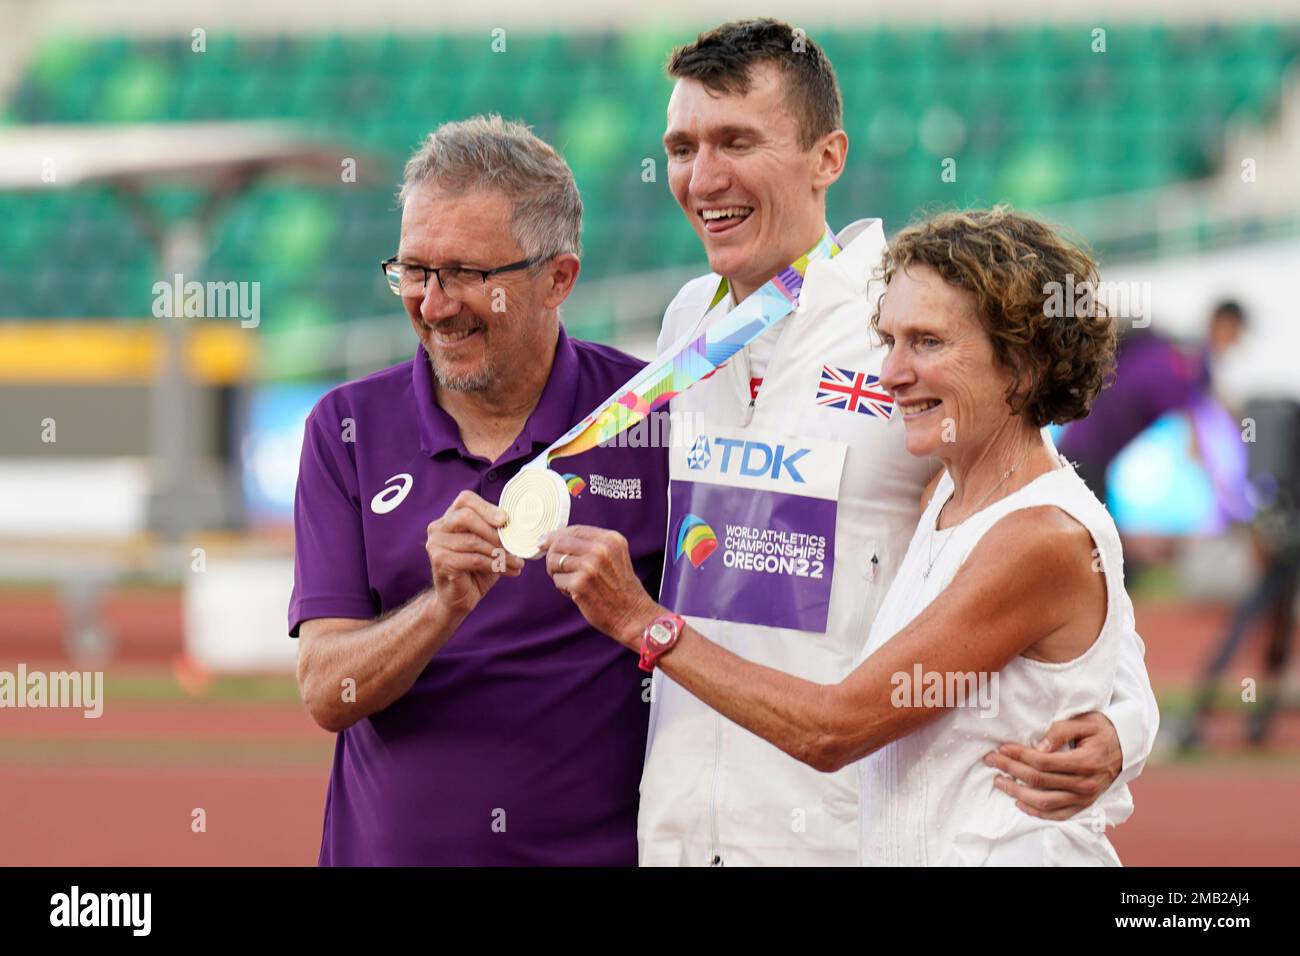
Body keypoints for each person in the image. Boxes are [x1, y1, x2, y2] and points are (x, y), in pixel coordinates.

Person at [546, 18, 1159, 866]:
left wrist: (1128, 722)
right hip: (686, 827)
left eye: (736, 141)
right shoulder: (688, 321)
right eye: (681, 146)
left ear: (828, 158)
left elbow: (1047, 535)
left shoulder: (913, 318)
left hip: (839, 828)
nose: (702, 176)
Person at [288, 115, 669, 865]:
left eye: (466, 274)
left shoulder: (652, 416)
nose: (433, 304)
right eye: (414, 270)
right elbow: (328, 691)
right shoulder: (345, 428)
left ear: (559, 278)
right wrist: (442, 606)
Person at [1058, 299, 1246, 508]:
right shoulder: (1189, 363)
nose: (1237, 343)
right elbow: (1194, 437)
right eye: (1237, 332)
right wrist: (1225, 489)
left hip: (1085, 454)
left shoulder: (1180, 351)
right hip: (1086, 454)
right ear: (1223, 324)